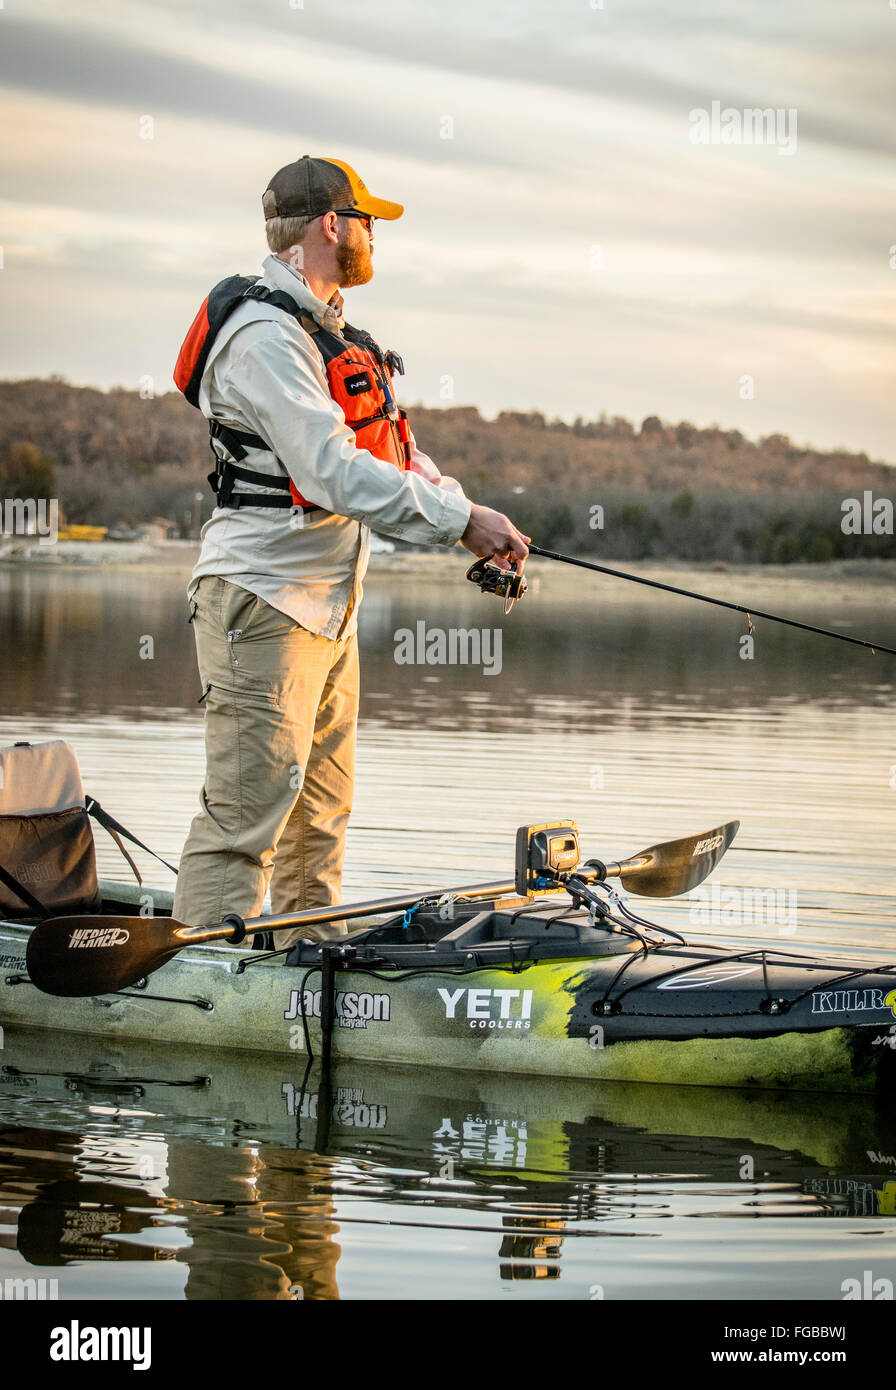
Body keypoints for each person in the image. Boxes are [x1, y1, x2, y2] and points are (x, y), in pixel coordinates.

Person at [172, 155, 528, 946]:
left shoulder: (325, 328)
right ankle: (195, 987)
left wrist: (464, 507)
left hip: (325, 608)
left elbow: (391, 457)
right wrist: (459, 520)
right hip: (263, 601)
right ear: (331, 225)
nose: (373, 235)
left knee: (319, 814)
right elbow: (329, 469)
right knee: (244, 816)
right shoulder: (265, 335)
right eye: (366, 220)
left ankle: (306, 968)